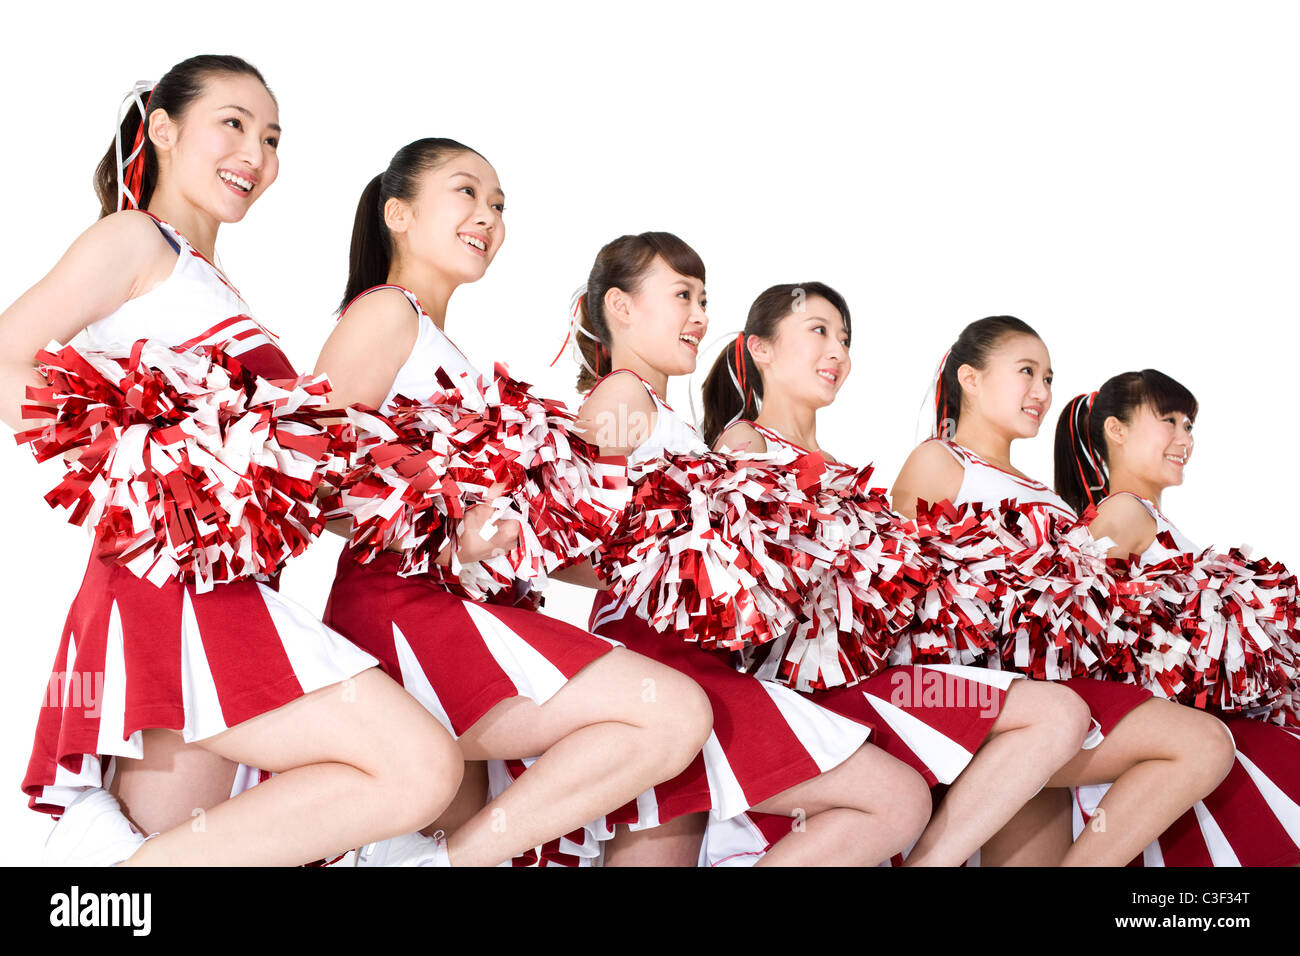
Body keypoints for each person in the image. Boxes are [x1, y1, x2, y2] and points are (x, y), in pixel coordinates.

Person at [1, 56, 460, 865]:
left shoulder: (216, 284)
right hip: (166, 598)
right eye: (235, 123)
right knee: (416, 765)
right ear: (164, 130)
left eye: (273, 137)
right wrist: (145, 465)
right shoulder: (133, 237)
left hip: (230, 597)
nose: (258, 152)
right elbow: (6, 357)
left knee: (189, 845)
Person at [316, 141, 714, 867]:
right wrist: (446, 534)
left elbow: (531, 536)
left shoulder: (442, 341)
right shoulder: (386, 312)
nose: (487, 217)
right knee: (671, 713)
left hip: (465, 610)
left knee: (439, 837)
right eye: (466, 193)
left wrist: (672, 571)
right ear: (397, 213)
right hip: (404, 608)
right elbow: (310, 473)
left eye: (498, 205)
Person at [551, 234, 946, 867]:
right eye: (684, 295)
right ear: (621, 308)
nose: (702, 316)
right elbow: (558, 534)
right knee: (891, 799)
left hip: (699, 667)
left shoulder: (668, 417)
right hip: (654, 659)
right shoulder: (623, 397)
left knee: (890, 798)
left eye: (704, 299)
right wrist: (670, 573)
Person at [700, 282, 1093, 866]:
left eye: (845, 339)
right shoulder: (745, 442)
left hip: (866, 682)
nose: (838, 351)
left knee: (1057, 716)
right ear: (760, 349)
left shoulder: (846, 470)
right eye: (819, 331)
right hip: (792, 694)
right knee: (1048, 720)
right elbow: (733, 588)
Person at [888, 317, 1235, 865]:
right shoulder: (941, 461)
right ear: (970, 379)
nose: (1042, 392)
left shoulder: (1051, 500)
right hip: (962, 693)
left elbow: (1072, 608)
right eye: (1026, 371)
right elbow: (895, 589)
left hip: (1043, 700)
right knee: (1200, 744)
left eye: (1048, 377)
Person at [1049, 369, 1300, 865]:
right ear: (1116, 431)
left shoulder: (1149, 516)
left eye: (1189, 425)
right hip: (1154, 736)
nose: (1184, 438)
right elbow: (1064, 617)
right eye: (1169, 421)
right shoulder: (1122, 512)